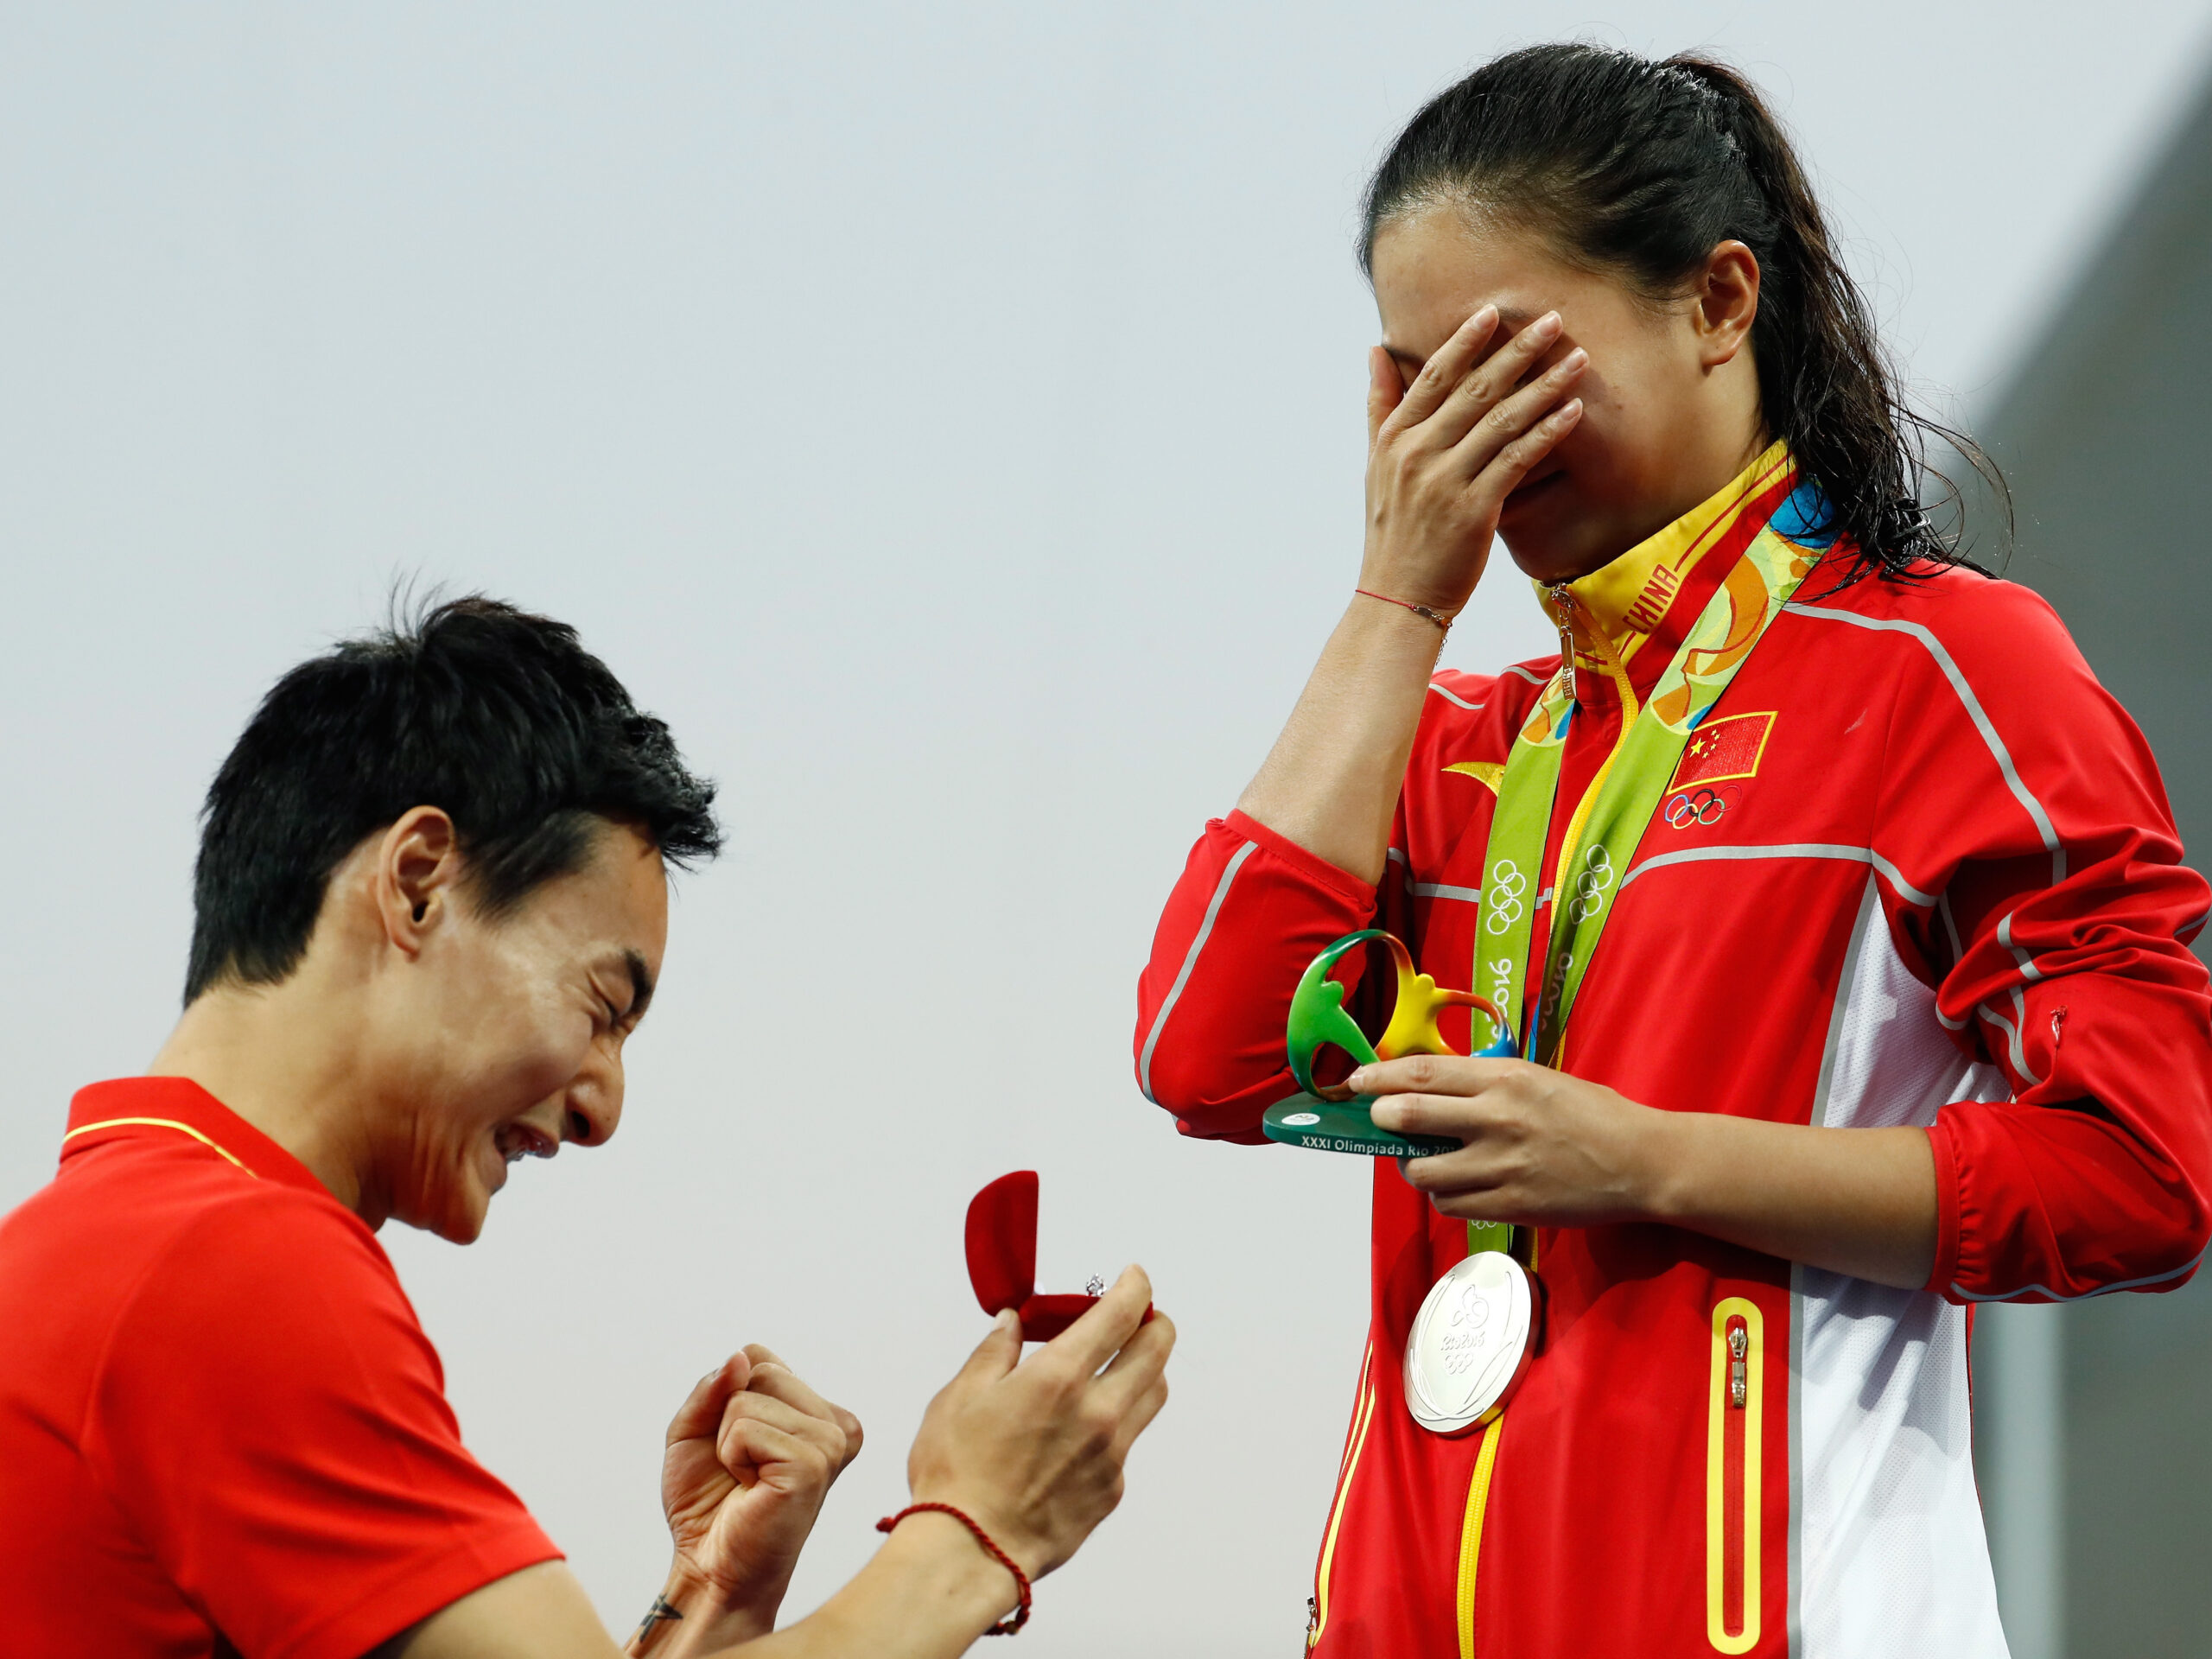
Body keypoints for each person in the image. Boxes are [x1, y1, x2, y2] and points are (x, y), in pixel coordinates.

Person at [1135, 43, 2211, 1658]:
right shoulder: (1451, 741)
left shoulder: (1948, 673)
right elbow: (1201, 1056)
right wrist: (1395, 606)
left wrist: (1650, 1164)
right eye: (1425, 386)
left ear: (1719, 303)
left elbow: (2148, 1167)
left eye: (1515, 364)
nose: (1471, 441)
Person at [0, 595, 1174, 1659]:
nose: (605, 1107)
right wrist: (973, 1535)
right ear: (417, 881)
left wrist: (704, 1605)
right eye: (605, 1009)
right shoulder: (227, 1269)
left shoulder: (106, 1244)